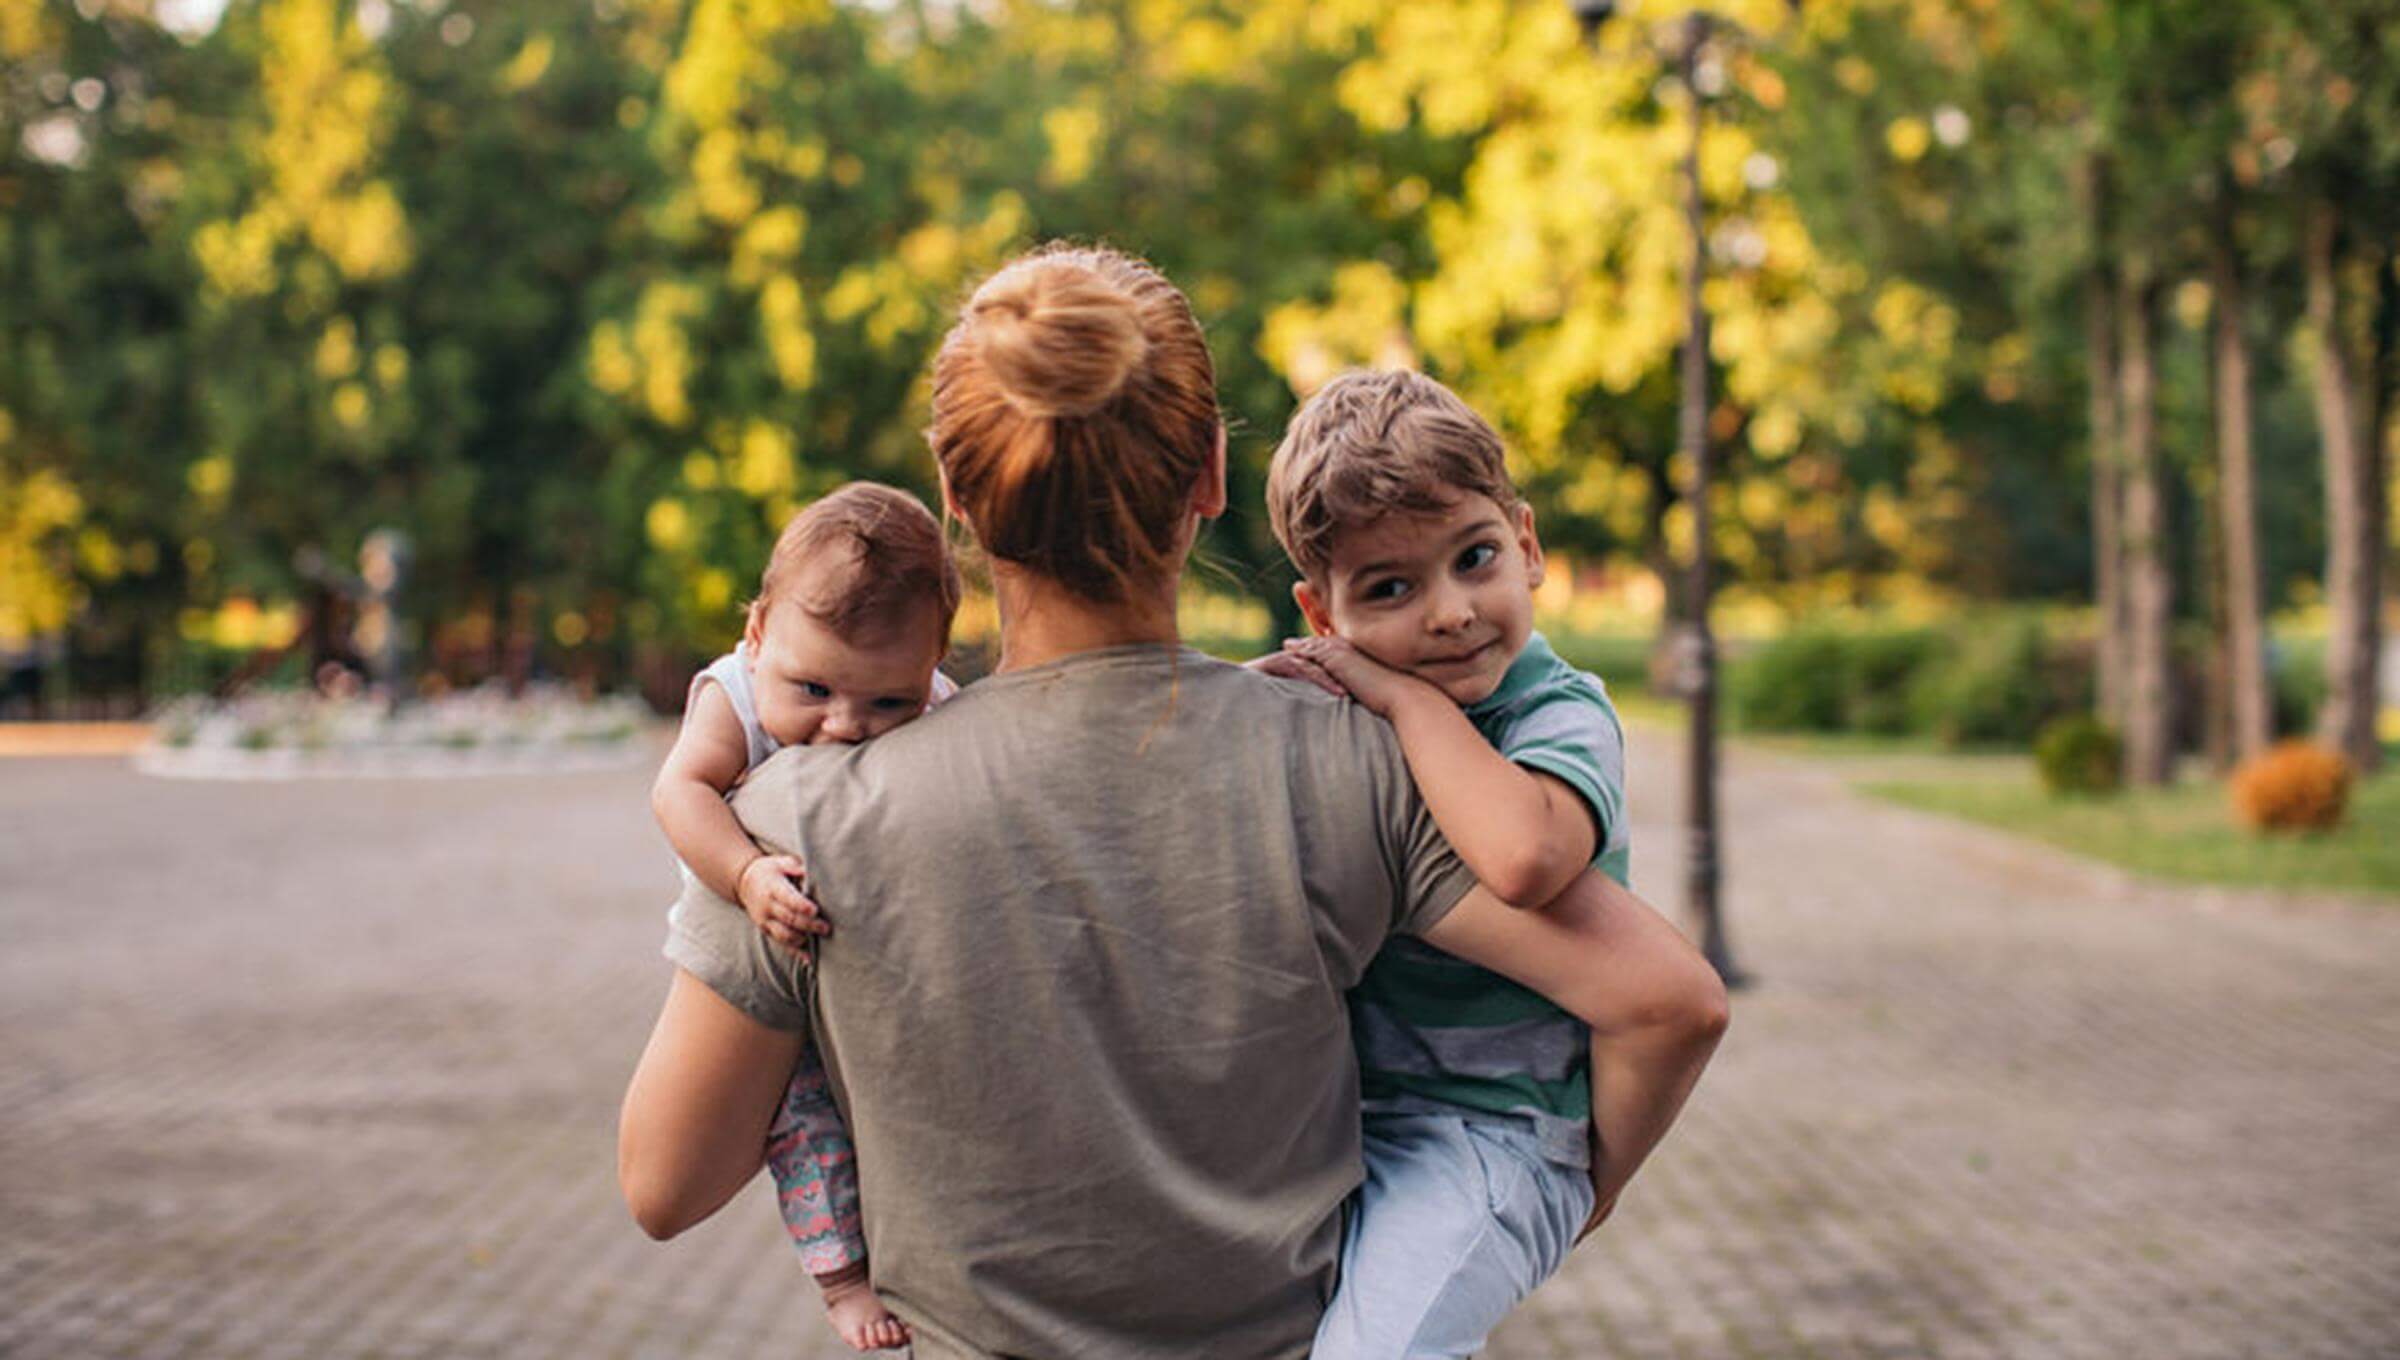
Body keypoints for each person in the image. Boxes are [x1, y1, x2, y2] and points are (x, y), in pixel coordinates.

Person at [617, 242, 1729, 1360]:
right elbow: (1664, 1002)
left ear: (957, 498)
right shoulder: (1359, 762)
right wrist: (1570, 1196)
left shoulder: (794, 814)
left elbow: (666, 1183)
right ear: (1209, 473)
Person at [1256, 368, 1632, 1358]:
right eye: (1391, 588)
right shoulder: (1352, 703)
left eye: (1475, 557)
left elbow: (1526, 858)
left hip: (1501, 1130)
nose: (1452, 612)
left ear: (1529, 544)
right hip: (1353, 1122)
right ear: (1322, 613)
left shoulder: (1557, 710)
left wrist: (1407, 703)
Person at [649, 482, 962, 1351]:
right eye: (814, 688)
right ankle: (841, 1280)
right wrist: (747, 875)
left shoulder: (939, 704)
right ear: (756, 638)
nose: (844, 726)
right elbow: (679, 791)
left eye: (889, 704)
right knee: (807, 1124)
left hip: (859, 964)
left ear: (933, 664)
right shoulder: (735, 698)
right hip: (756, 942)